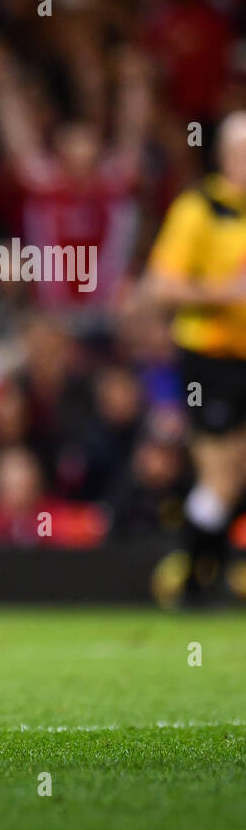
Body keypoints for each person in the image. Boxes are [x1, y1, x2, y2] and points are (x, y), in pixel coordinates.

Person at [144, 111, 246, 607]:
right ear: (224, 156)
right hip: (212, 360)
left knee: (231, 478)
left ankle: (204, 570)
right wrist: (224, 293)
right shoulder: (199, 209)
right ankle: (191, 573)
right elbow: (161, 286)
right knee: (222, 475)